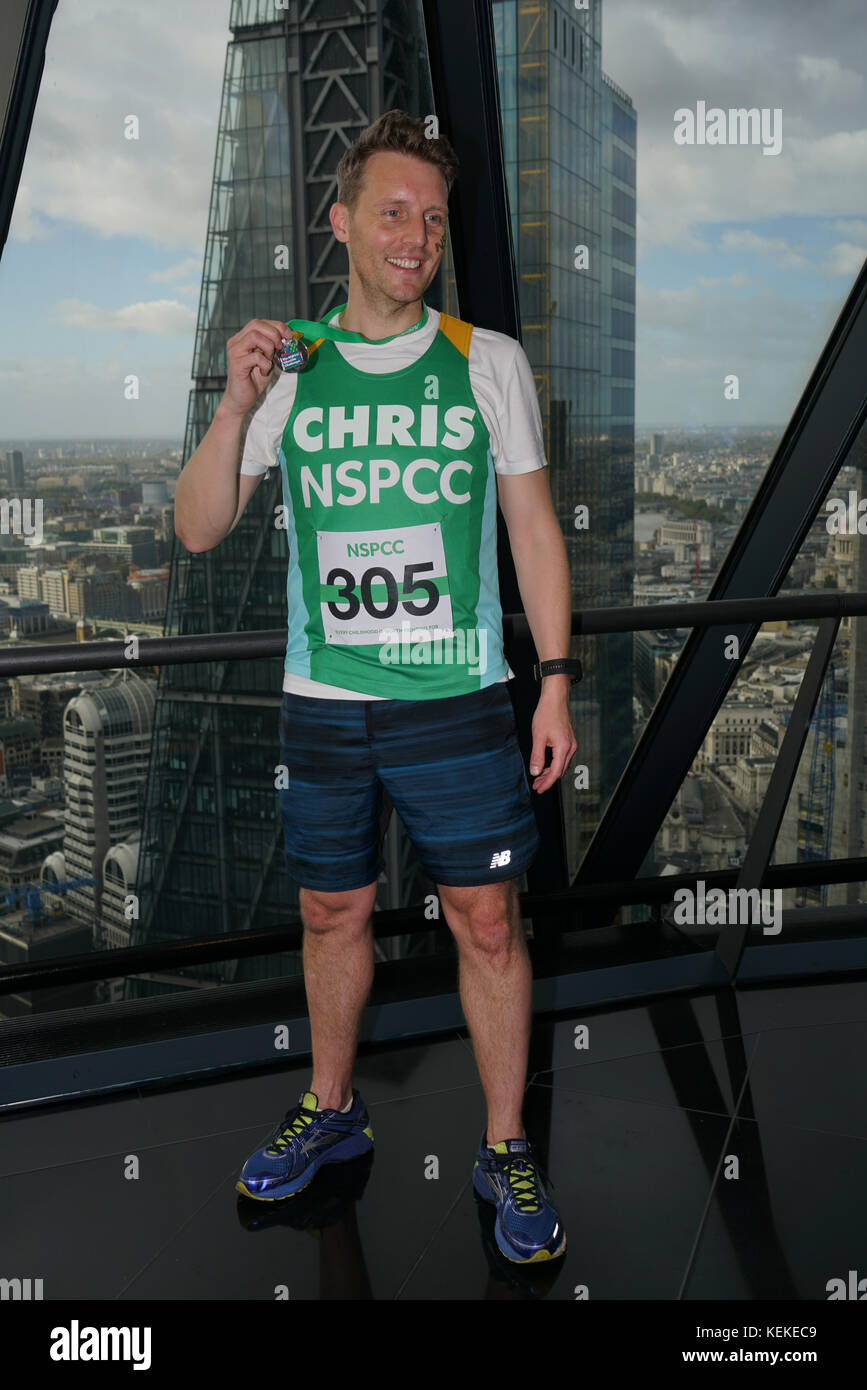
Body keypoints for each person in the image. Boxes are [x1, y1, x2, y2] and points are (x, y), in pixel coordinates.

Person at [174, 109, 578, 1265]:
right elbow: (198, 530)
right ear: (343, 221)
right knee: (330, 910)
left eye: (434, 219)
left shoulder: (485, 358)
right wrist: (234, 406)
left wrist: (553, 684)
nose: (417, 235)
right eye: (394, 212)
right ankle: (333, 1105)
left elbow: (535, 532)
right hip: (326, 700)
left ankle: (504, 1148)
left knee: (487, 921)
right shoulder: (292, 366)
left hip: (458, 694)